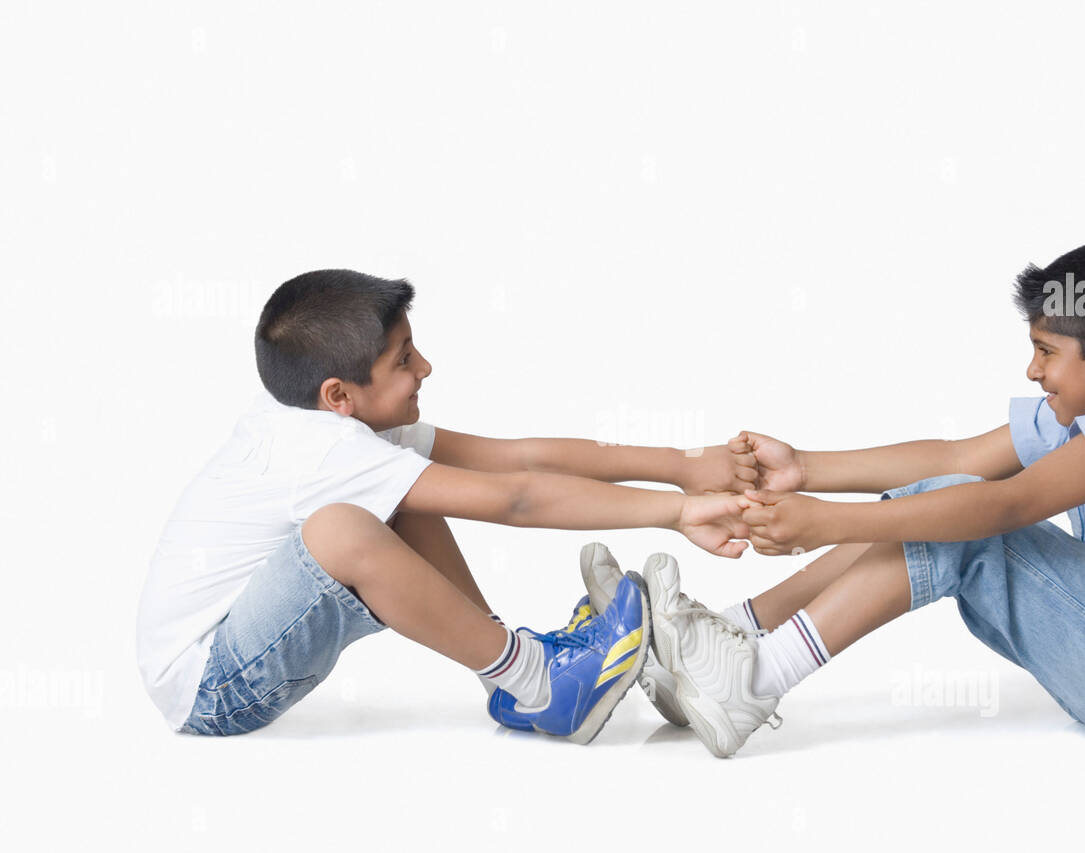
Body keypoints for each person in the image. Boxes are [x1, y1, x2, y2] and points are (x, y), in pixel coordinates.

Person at [615, 239, 1085, 757]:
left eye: (1045, 351)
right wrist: (803, 470)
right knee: (943, 497)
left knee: (964, 517)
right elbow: (957, 458)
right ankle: (731, 635)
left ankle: (750, 682)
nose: (1033, 371)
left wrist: (825, 522)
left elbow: (1004, 506)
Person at [136, 268, 754, 742]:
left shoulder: (330, 418)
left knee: (409, 486)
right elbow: (515, 499)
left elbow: (517, 458)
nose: (425, 367)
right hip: (215, 689)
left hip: (241, 649)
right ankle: (537, 680)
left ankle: (515, 679)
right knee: (343, 527)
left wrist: (681, 466)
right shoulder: (323, 453)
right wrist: (677, 513)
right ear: (339, 395)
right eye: (404, 359)